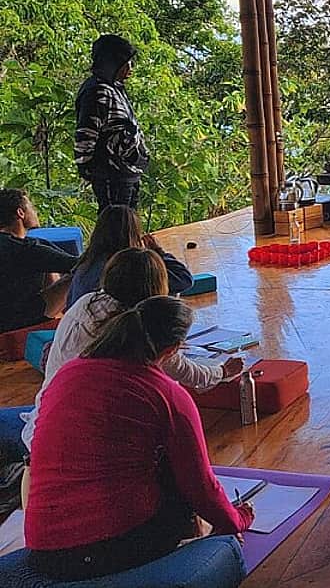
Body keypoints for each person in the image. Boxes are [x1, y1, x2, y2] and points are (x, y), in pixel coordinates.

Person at [23, 296, 253, 581]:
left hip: (42, 549)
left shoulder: (67, 373)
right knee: (172, 470)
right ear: (172, 350)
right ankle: (198, 535)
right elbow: (200, 483)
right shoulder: (166, 394)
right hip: (108, 548)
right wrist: (237, 519)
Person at [20, 247, 241, 456]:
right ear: (157, 287)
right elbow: (188, 374)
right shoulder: (145, 329)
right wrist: (222, 371)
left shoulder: (86, 303)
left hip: (43, 424)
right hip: (86, 444)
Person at [67, 203, 193, 307]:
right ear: (133, 235)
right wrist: (158, 251)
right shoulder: (125, 268)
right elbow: (183, 279)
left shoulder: (86, 262)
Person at [75, 33, 149, 210]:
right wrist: (90, 169)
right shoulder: (98, 91)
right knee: (115, 225)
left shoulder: (115, 88)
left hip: (127, 173)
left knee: (128, 224)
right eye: (126, 63)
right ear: (113, 63)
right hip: (111, 175)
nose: (130, 68)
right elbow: (86, 134)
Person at [0, 188, 77, 333]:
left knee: (49, 266)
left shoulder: (28, 245)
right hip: (15, 320)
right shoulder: (26, 248)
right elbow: (78, 264)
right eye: (32, 208)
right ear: (20, 213)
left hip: (13, 312)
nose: (36, 212)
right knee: (81, 271)